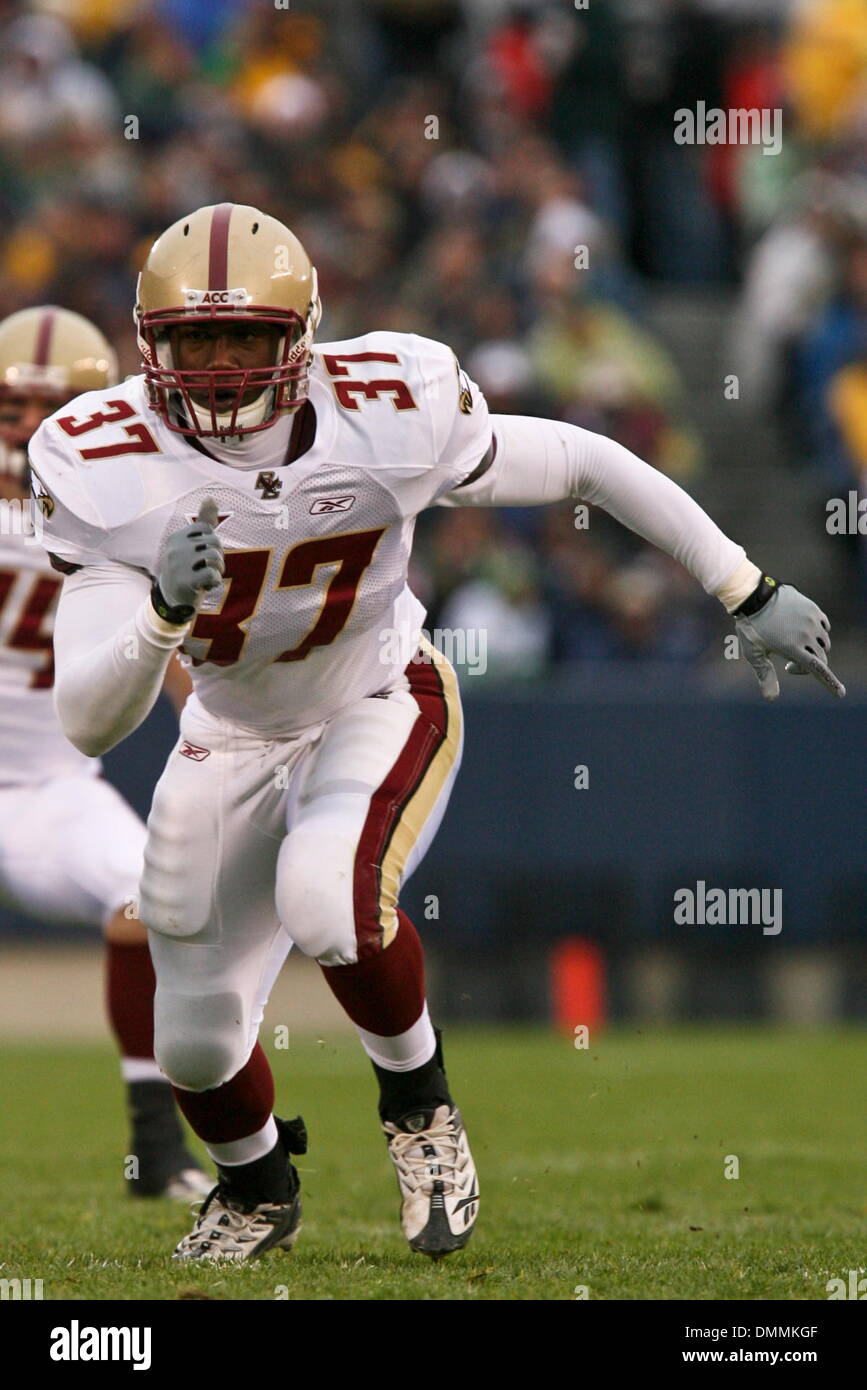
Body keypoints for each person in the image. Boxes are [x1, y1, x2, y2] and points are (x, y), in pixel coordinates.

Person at [28, 205, 844, 1263]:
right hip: (230, 729)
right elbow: (89, 716)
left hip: (376, 690)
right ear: (152, 346)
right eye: (196, 341)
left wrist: (742, 584)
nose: (223, 369)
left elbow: (582, 461)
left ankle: (421, 1112)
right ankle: (257, 1185)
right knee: (190, 1039)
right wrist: (158, 620)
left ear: (302, 337)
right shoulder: (101, 459)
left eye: (246, 339)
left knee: (326, 897)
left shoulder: (391, 405)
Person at [0, 305, 209, 1202]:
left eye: (52, 410)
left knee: (145, 904)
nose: (28, 430)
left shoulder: (120, 504)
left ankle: (155, 1149)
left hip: (49, 785)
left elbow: (169, 654)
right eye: (13, 409)